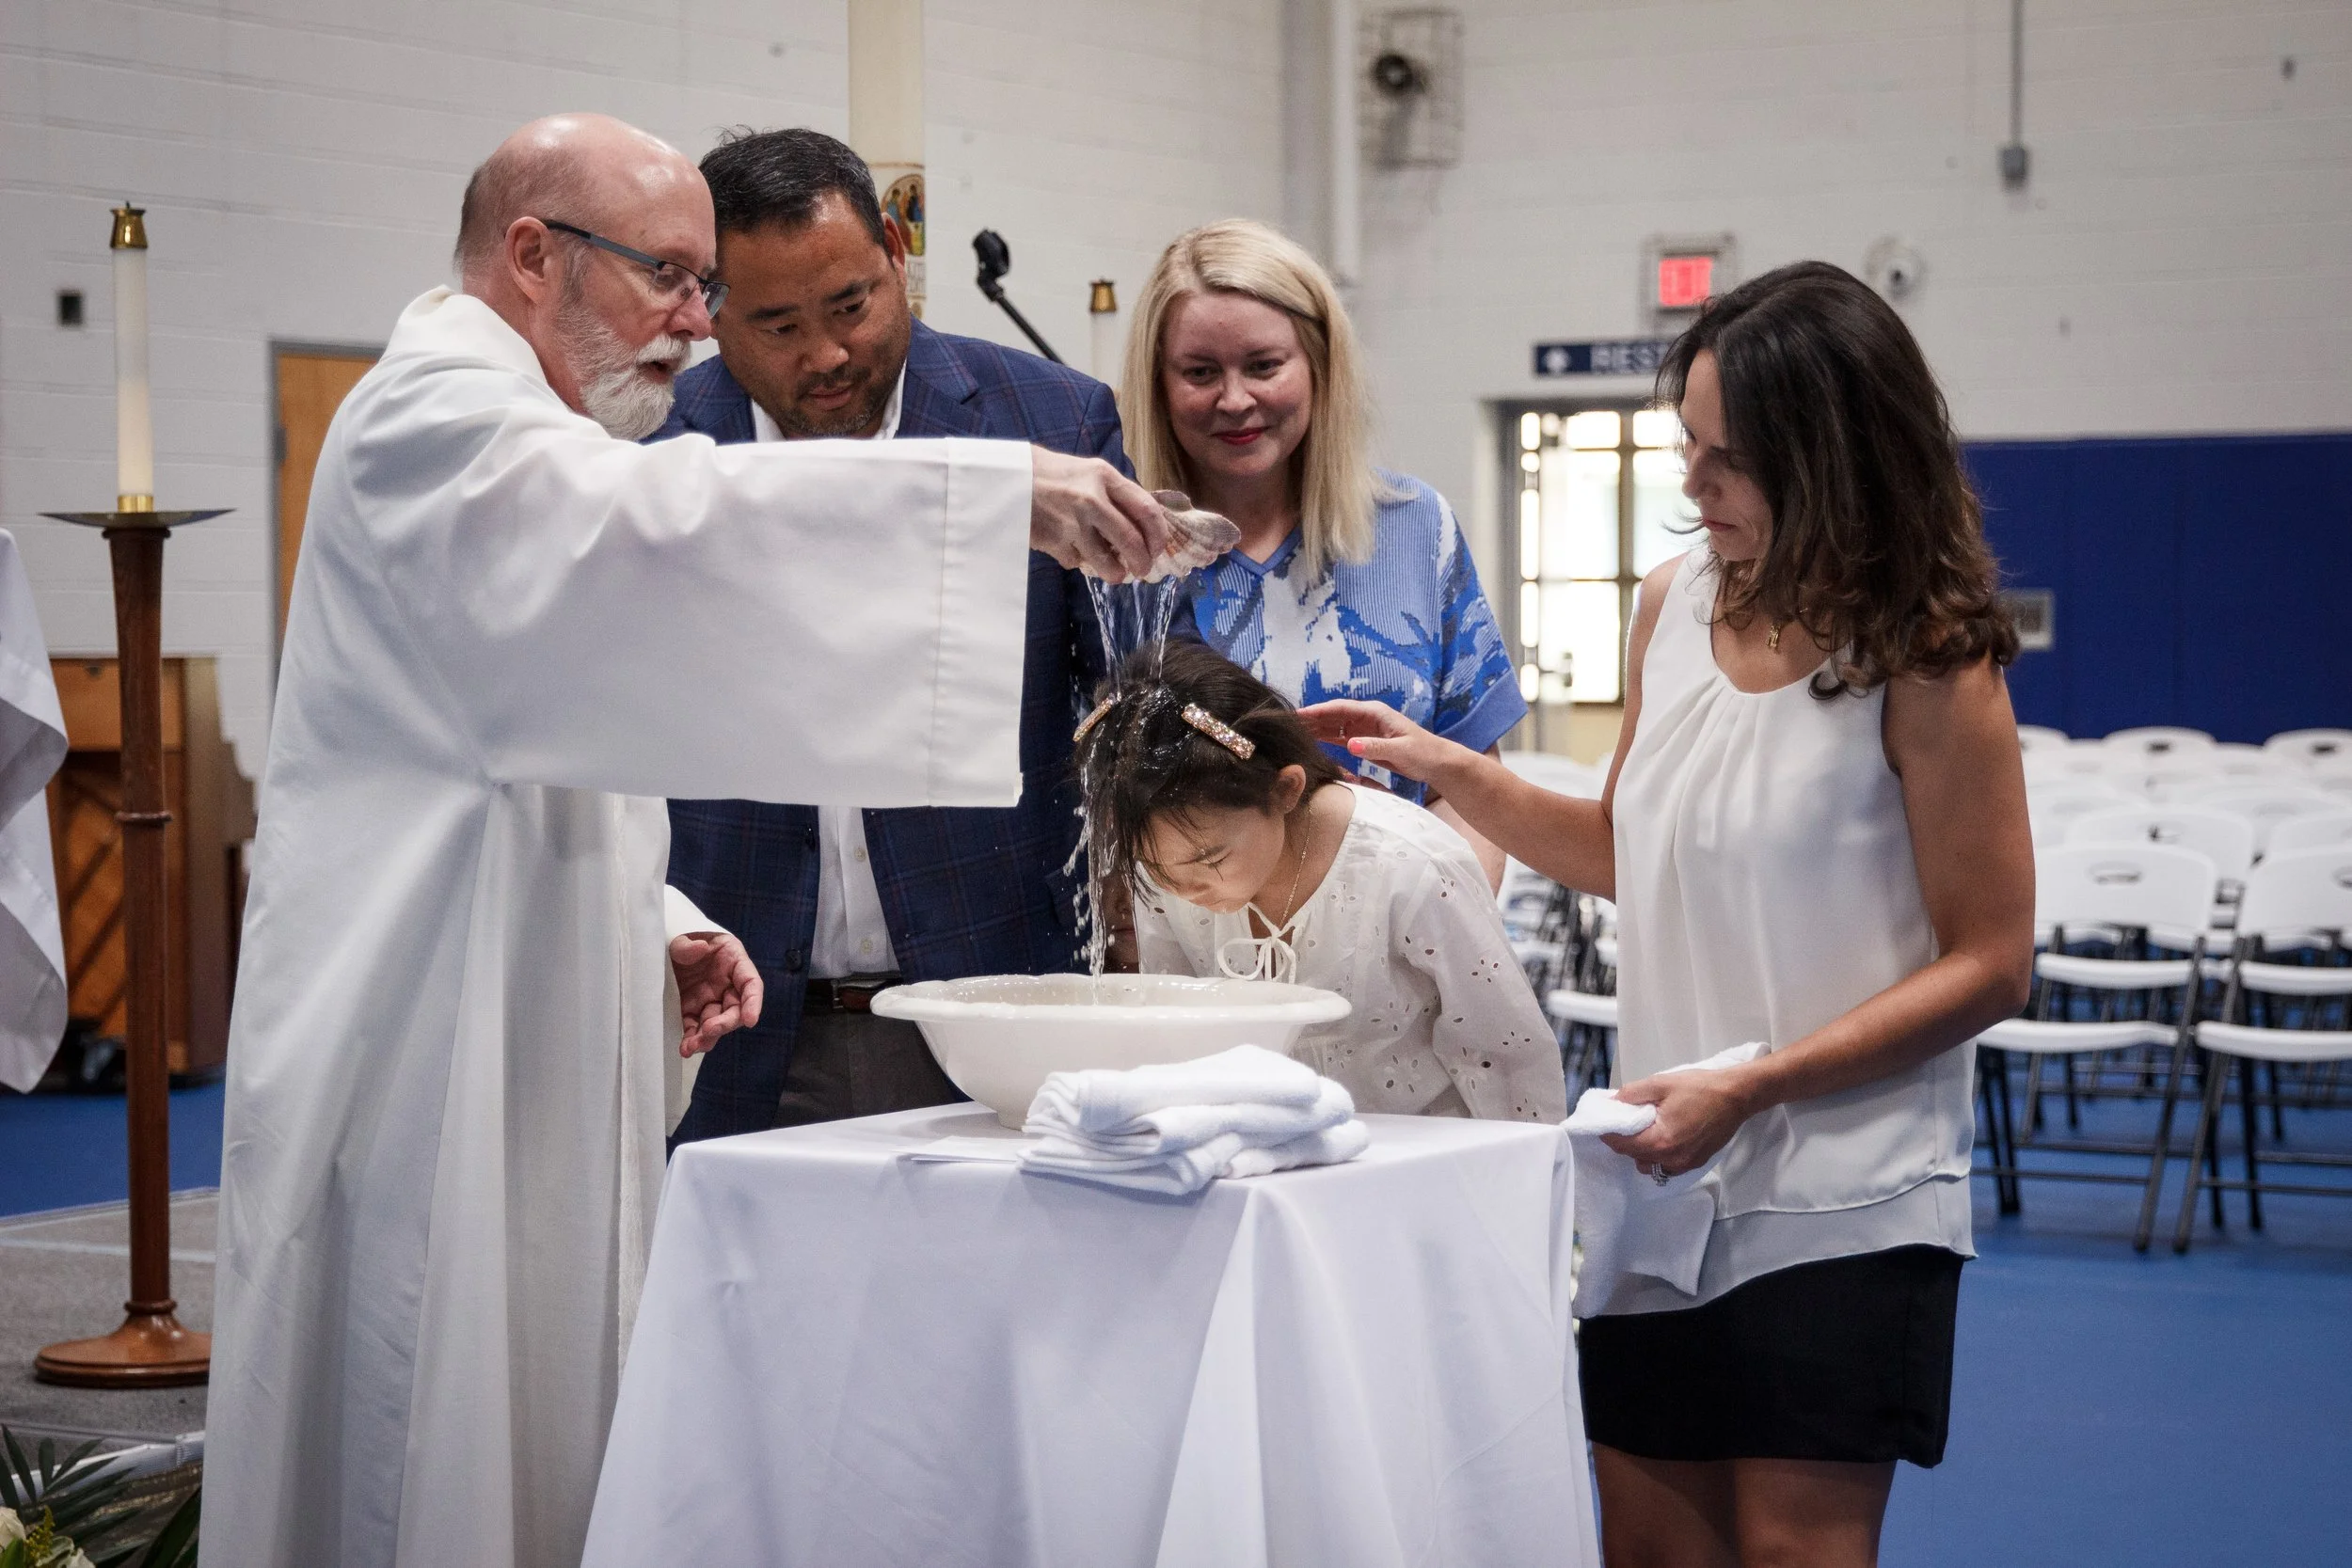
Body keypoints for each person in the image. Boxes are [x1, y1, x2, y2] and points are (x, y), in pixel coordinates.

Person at [201, 113, 1178, 1568]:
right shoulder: (438, 410)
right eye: (672, 275)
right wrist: (985, 499)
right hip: (424, 1049)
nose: (692, 320)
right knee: (439, 1447)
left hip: (534, 1020)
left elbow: (548, 723)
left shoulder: (530, 422)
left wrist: (650, 914)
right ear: (532, 255)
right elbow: (650, 535)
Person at [1299, 261, 2034, 1567]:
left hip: (1841, 1193)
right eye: (1686, 447)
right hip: (1660, 1171)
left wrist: (1756, 1085)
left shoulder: (1929, 653)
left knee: (1793, 1547)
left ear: (1838, 457)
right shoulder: (1675, 600)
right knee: (1647, 1546)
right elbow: (1632, 849)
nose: (1692, 488)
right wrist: (1456, 769)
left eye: (1728, 462)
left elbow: (1991, 962)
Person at [655, 129, 1125, 1140]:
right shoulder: (648, 452)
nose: (826, 354)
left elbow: (1130, 688)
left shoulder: (1046, 421)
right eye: (777, 325)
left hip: (988, 1007)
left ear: (895, 259)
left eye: (853, 306)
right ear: (705, 312)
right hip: (727, 1025)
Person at [1121, 218, 1524, 885]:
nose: (1235, 398)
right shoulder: (1121, 554)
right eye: (1199, 372)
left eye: (1263, 366)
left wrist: (1448, 925)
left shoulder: (1414, 528)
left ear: (1318, 363)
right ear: (1159, 383)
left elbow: (1470, 783)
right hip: (1195, 956)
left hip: (1399, 946)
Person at [1080, 641, 1565, 1123]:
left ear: (1285, 789)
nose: (1185, 890)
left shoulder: (1409, 864)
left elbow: (1506, 1056)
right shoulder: (1170, 866)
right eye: (1157, 868)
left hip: (1426, 1161)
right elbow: (1178, 1041)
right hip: (1256, 1157)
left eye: (1210, 860)